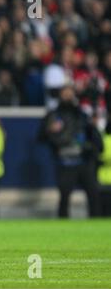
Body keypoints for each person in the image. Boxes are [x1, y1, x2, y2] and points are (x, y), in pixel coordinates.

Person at [39, 86, 103, 218]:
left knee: (93, 194)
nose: (68, 96)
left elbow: (93, 135)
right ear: (60, 96)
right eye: (65, 93)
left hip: (84, 160)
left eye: (70, 93)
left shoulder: (81, 114)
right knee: (65, 196)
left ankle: (96, 221)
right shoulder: (53, 115)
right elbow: (41, 137)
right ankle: (63, 223)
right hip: (65, 162)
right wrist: (50, 130)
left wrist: (93, 149)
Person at [97, 116, 111, 216]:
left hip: (102, 177)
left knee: (104, 209)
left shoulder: (102, 138)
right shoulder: (103, 139)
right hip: (104, 177)